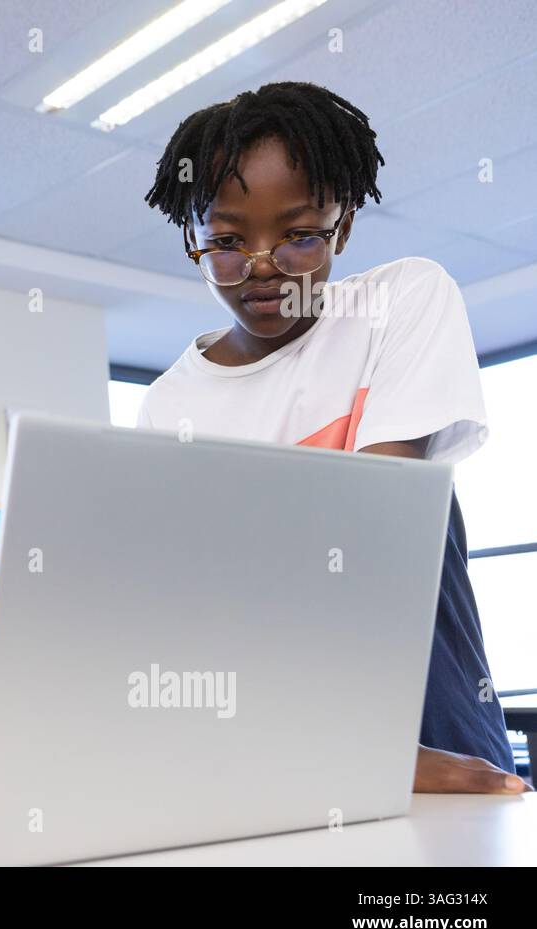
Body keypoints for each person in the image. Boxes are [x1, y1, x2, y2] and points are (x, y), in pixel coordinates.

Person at [138, 81, 527, 794]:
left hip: (438, 738)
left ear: (343, 226)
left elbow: (376, 539)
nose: (262, 263)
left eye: (299, 235)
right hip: (283, 761)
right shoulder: (169, 406)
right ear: (192, 238)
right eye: (226, 241)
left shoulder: (402, 303)